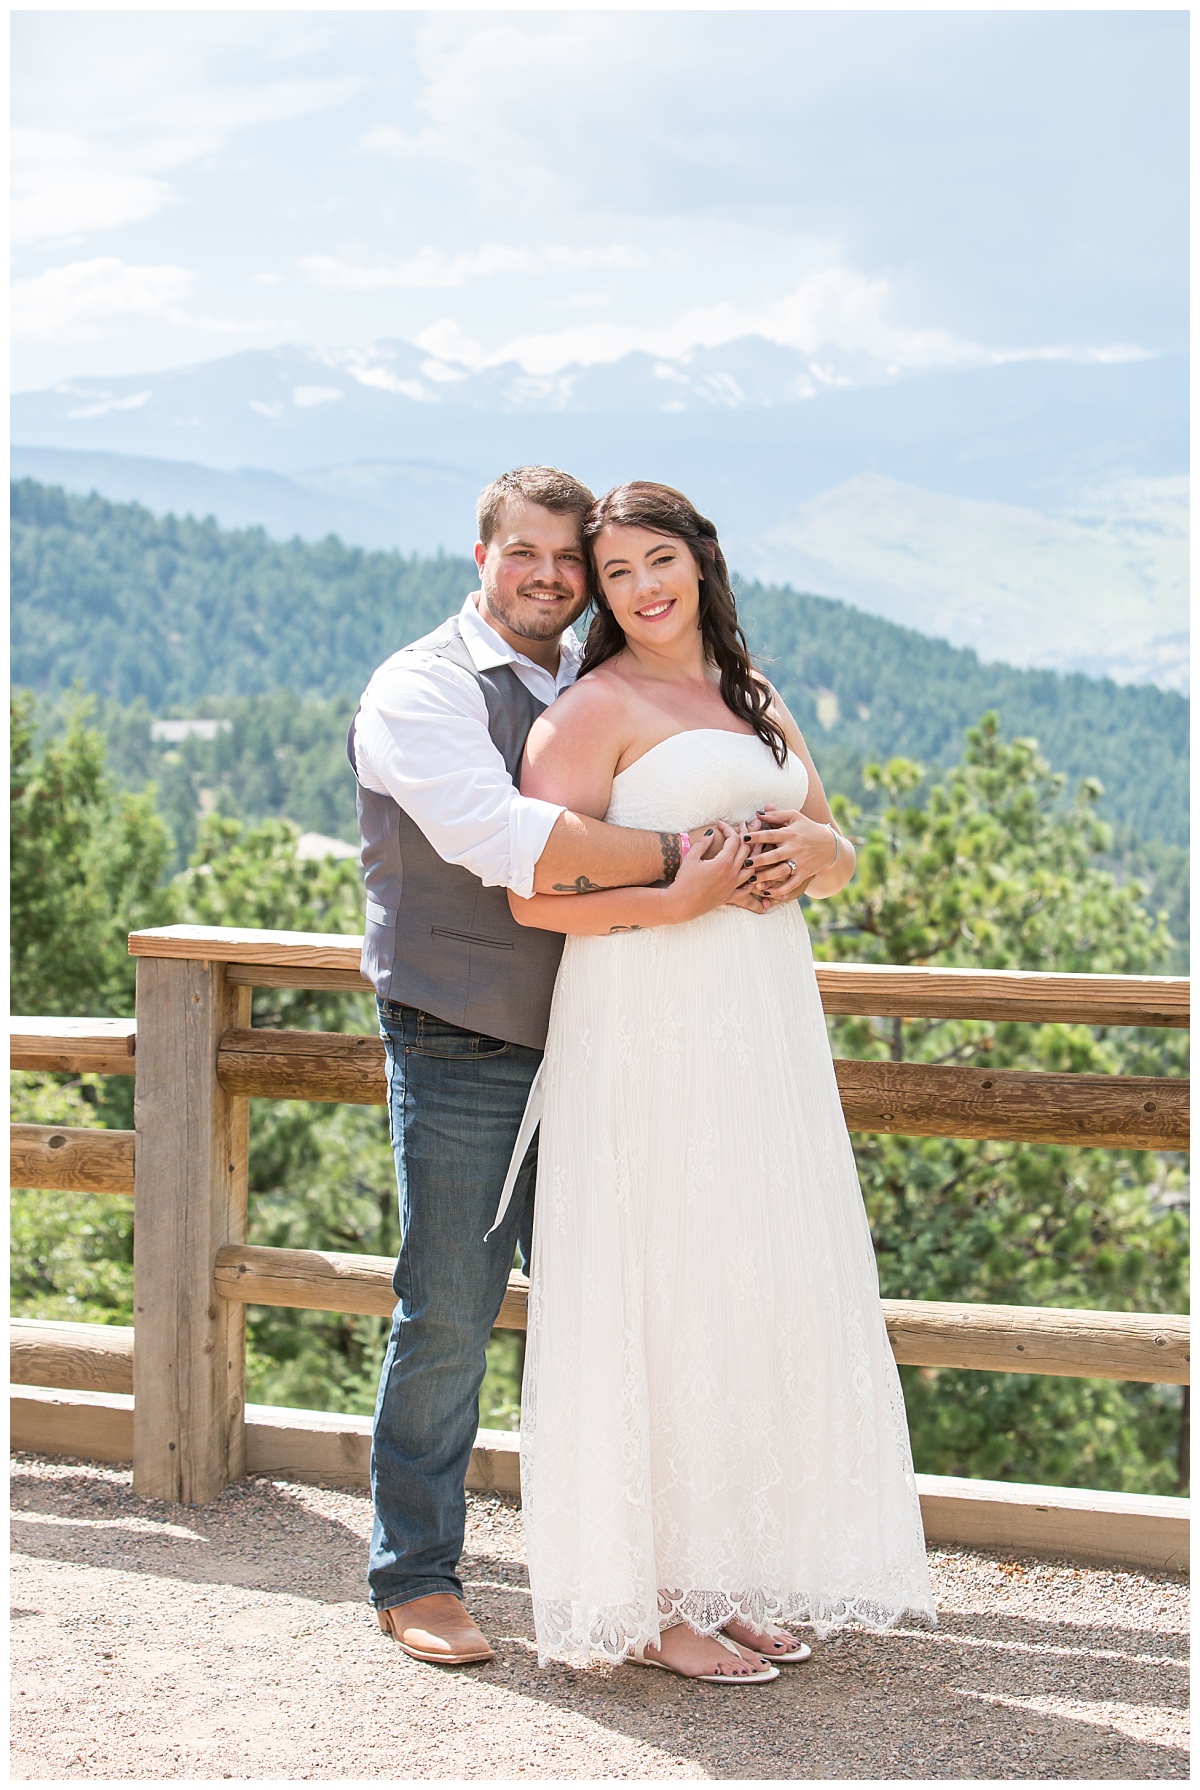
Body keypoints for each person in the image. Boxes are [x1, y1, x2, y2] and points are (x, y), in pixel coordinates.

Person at [506, 481, 937, 1682]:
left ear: (701, 561)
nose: (644, 589)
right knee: (657, 1278)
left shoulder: (752, 695)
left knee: (740, 1279)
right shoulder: (591, 710)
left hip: (762, 1024)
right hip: (647, 1017)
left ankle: (712, 1573)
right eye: (620, 573)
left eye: (661, 561)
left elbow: (835, 845)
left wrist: (826, 851)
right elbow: (533, 892)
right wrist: (678, 894)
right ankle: (641, 1601)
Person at [348, 465, 774, 1667]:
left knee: (637, 1313)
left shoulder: (592, 680)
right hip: (465, 1036)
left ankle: (657, 1586)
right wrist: (691, 854)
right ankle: (416, 1573)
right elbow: (505, 838)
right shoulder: (420, 688)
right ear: (481, 552)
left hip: (619, 1039)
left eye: (568, 558)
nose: (550, 575)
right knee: (451, 1308)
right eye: (524, 551)